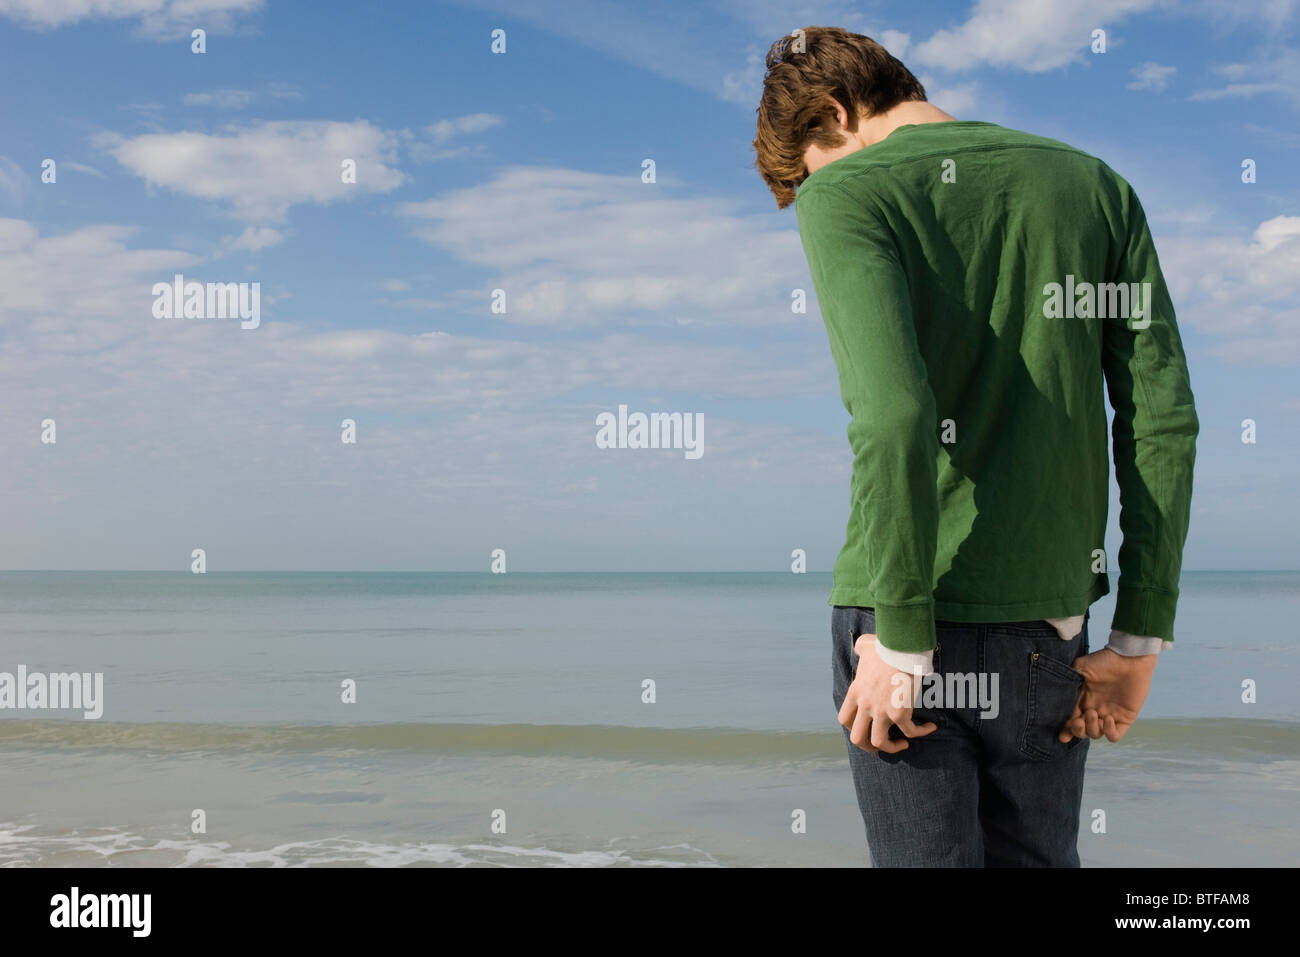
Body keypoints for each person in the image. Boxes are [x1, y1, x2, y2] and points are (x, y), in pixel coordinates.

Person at [753, 27, 1199, 866]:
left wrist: (904, 637)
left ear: (837, 114)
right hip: (1050, 616)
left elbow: (893, 417)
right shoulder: (1097, 187)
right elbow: (1164, 419)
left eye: (812, 165)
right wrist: (1139, 639)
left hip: (900, 614)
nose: (817, 187)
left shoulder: (848, 193)